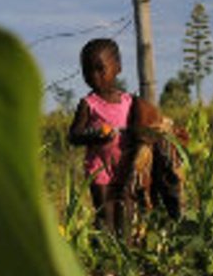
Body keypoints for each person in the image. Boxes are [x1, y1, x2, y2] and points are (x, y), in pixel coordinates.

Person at [67, 38, 166, 233]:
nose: (94, 77)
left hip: (126, 166)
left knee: (126, 211)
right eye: (87, 71)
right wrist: (94, 135)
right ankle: (107, 253)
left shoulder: (130, 103)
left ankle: (126, 252)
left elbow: (143, 129)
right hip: (99, 167)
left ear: (118, 67)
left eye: (100, 69)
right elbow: (74, 135)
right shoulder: (88, 103)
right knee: (105, 212)